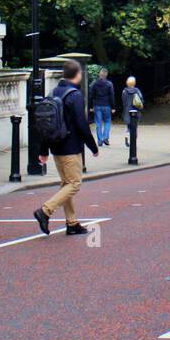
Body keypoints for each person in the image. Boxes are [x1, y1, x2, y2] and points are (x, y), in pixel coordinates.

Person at [33, 59, 98, 237]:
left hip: (55, 146)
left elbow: (46, 123)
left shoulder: (53, 92)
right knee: (74, 184)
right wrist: (93, 146)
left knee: (66, 184)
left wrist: (43, 149)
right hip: (70, 147)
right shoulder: (75, 95)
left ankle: (72, 223)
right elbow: (81, 123)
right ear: (77, 75)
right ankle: (45, 210)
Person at [88, 67, 115, 146]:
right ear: (106, 75)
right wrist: (113, 107)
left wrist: (91, 106)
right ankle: (105, 137)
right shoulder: (109, 84)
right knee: (107, 121)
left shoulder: (94, 84)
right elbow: (112, 96)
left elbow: (91, 96)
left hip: (97, 105)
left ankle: (100, 140)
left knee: (98, 123)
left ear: (100, 74)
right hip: (107, 105)